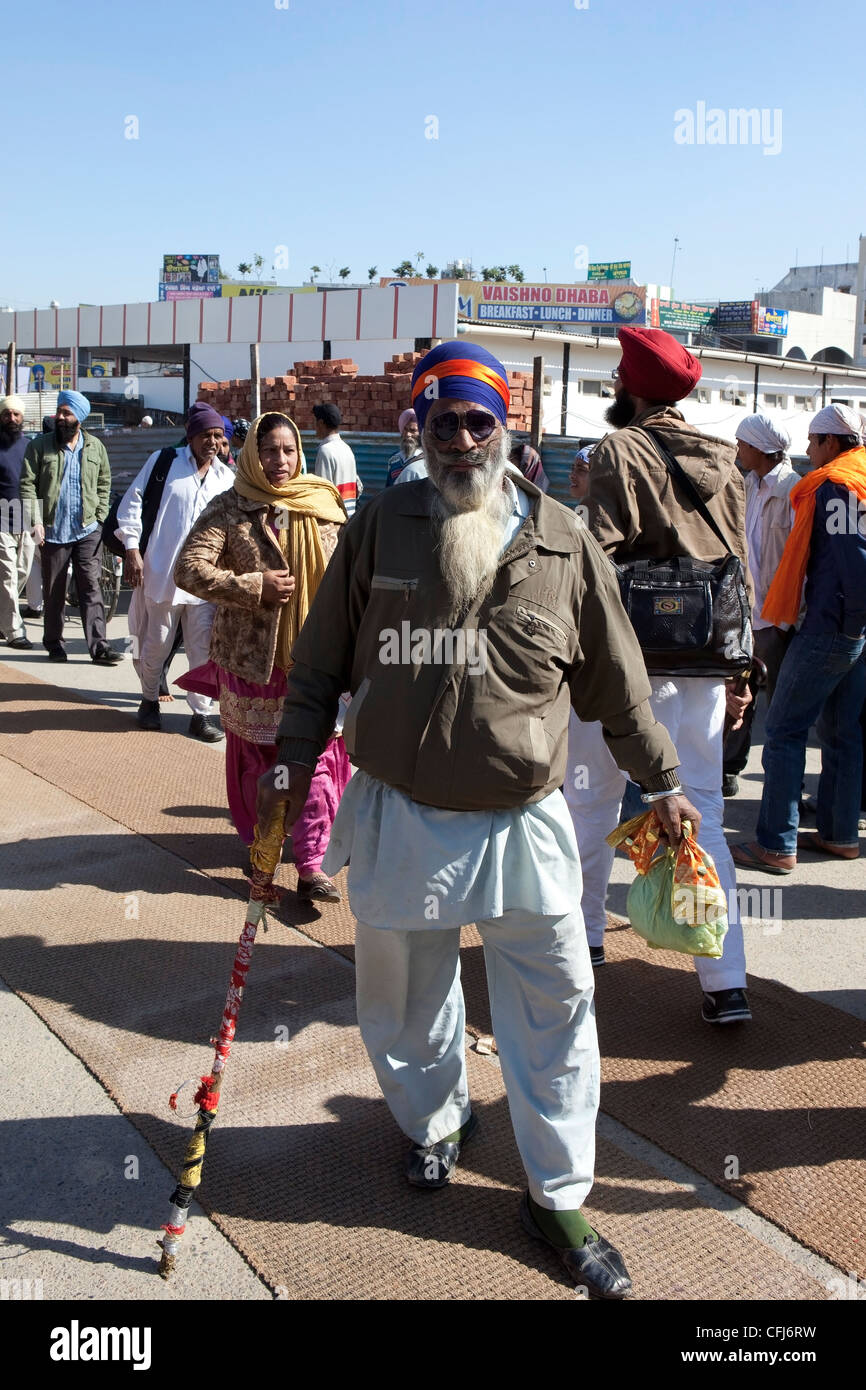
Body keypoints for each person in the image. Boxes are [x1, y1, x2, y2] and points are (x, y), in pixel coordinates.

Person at [256, 340, 699, 1299]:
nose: (459, 438)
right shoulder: (379, 523)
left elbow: (619, 688)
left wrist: (662, 783)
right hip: (401, 809)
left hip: (526, 820)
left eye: (477, 420)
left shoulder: (562, 539)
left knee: (558, 1008)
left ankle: (556, 1195)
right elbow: (322, 663)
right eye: (441, 420)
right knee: (407, 999)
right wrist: (293, 759)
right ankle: (434, 1122)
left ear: (507, 430)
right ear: (417, 428)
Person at [563, 325, 752, 1023]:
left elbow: (599, 559)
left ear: (634, 388)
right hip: (702, 666)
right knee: (701, 809)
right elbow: (737, 570)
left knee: (589, 805)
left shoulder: (620, 449)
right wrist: (742, 671)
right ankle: (724, 981)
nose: (614, 383)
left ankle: (582, 946)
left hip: (627, 664)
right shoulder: (727, 459)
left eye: (618, 375)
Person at [174, 411, 350, 900]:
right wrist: (254, 586)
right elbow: (188, 570)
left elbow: (351, 572)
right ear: (252, 453)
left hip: (316, 659)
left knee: (315, 759)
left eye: (288, 450)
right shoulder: (231, 507)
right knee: (263, 766)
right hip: (254, 665)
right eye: (269, 450)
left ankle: (312, 864)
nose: (279, 460)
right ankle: (264, 856)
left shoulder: (323, 501)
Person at [732, 404, 866, 873]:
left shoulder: (835, 487)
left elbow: (853, 564)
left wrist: (846, 623)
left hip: (829, 626)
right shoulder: (859, 480)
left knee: (785, 731)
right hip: (851, 630)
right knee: (842, 733)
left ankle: (776, 843)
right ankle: (839, 834)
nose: (807, 450)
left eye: (813, 441)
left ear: (832, 442)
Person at [115, 401, 234, 740]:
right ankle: (149, 700)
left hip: (204, 583)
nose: (212, 442)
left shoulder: (226, 477)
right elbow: (132, 505)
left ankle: (201, 714)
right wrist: (133, 550)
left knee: (203, 651)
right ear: (191, 436)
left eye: (217, 436)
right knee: (156, 645)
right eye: (205, 436)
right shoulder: (164, 462)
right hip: (162, 575)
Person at [722, 413, 798, 796]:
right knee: (738, 690)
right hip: (745, 609)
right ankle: (730, 767)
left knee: (781, 703)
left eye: (742, 444)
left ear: (758, 448)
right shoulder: (745, 485)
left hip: (779, 615)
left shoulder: (793, 491)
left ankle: (785, 781)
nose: (737, 450)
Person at [19, 390, 121, 665]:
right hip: (53, 530)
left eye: (67, 413)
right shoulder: (39, 446)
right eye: (59, 412)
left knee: (91, 586)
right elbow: (27, 484)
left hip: (88, 529)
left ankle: (99, 646)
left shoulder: (95, 447)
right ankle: (54, 643)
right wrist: (35, 520)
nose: (60, 417)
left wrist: (100, 517)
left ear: (80, 417)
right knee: (54, 589)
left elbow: (104, 482)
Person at [0, 395, 34, 649]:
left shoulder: (32, 447)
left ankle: (3, 620)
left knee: (21, 574)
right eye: (6, 414)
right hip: (1, 519)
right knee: (8, 577)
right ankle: (14, 631)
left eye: (16, 414)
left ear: (23, 418)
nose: (11, 418)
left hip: (29, 520)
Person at [311, 402, 363, 515]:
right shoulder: (346, 448)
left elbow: (323, 492)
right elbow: (358, 486)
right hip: (349, 517)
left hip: (335, 519)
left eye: (316, 422)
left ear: (321, 423)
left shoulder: (325, 451)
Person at [385, 408, 424, 485]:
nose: (408, 434)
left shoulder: (426, 460)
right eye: (405, 429)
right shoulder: (394, 459)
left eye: (413, 431)